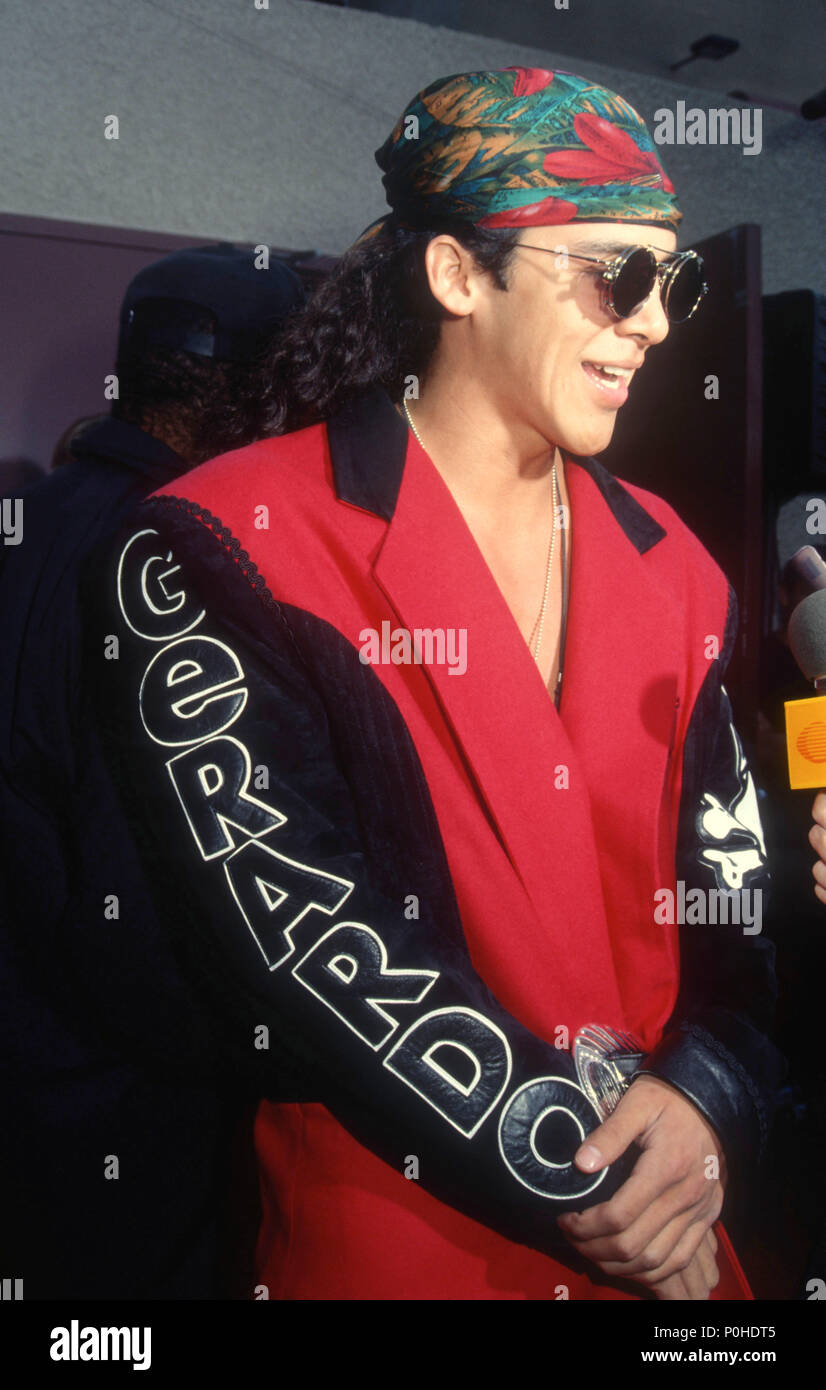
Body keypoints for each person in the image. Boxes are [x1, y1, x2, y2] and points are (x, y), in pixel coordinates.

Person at [87, 68, 783, 1301]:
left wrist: (712, 1095)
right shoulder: (221, 545)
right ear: (458, 275)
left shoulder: (674, 564)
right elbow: (298, 943)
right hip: (411, 1242)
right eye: (614, 275)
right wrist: (587, 1181)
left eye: (671, 283)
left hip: (675, 1233)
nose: (659, 323)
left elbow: (734, 890)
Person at [0, 244, 305, 1298]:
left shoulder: (24, 526)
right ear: (248, 390)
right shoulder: (183, 560)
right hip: (133, 1110)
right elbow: (145, 902)